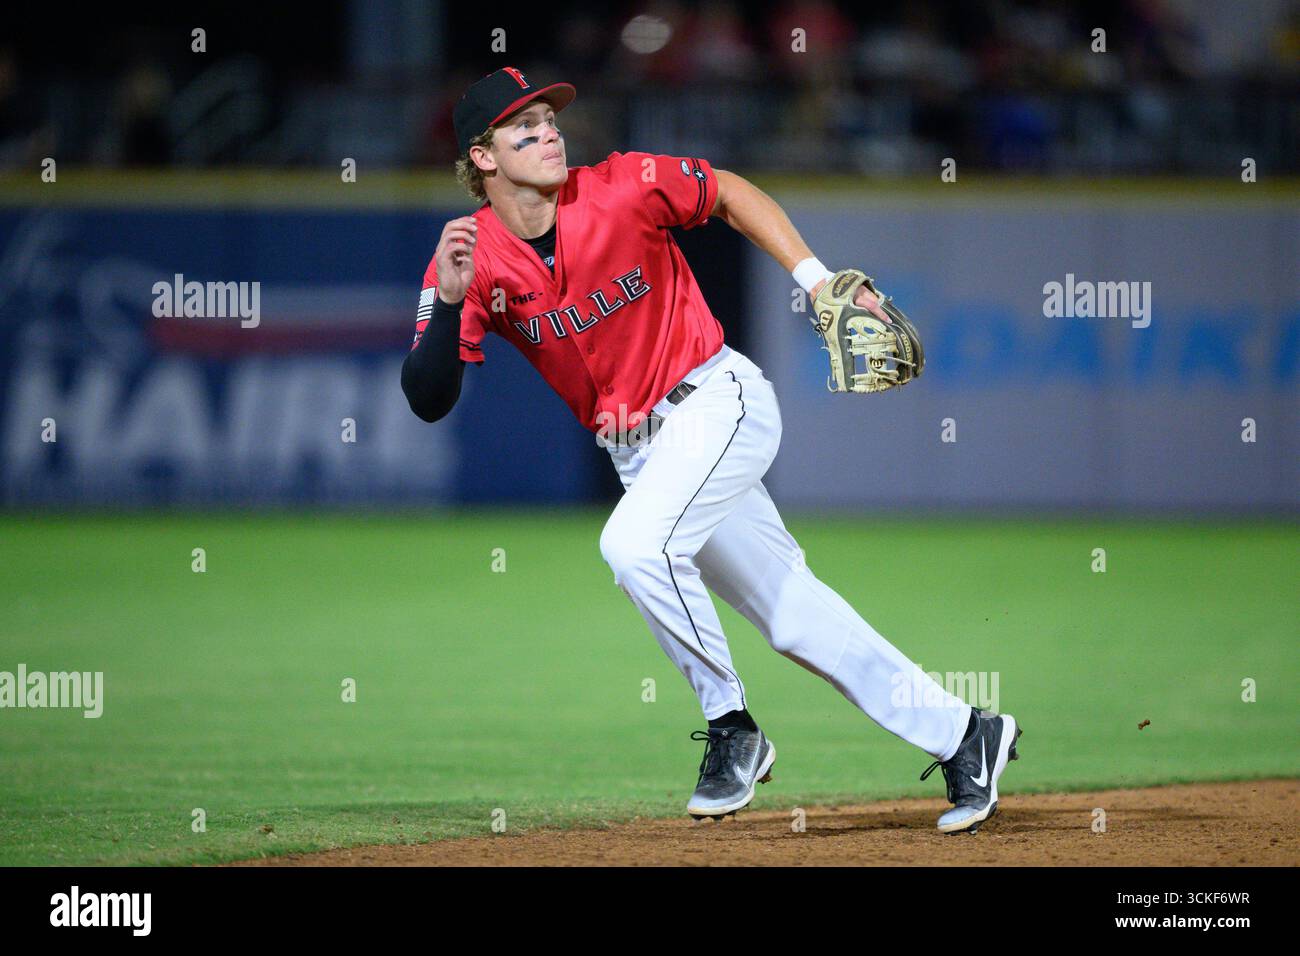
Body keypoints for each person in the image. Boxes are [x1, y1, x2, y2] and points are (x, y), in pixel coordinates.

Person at [401, 67, 1021, 832]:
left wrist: (816, 280)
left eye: (551, 119)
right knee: (793, 615)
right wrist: (453, 303)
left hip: (717, 400)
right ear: (482, 157)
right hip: (638, 451)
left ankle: (732, 726)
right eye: (522, 126)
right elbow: (428, 398)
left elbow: (726, 191)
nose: (548, 132)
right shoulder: (468, 258)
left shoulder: (622, 185)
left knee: (633, 546)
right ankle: (967, 735)